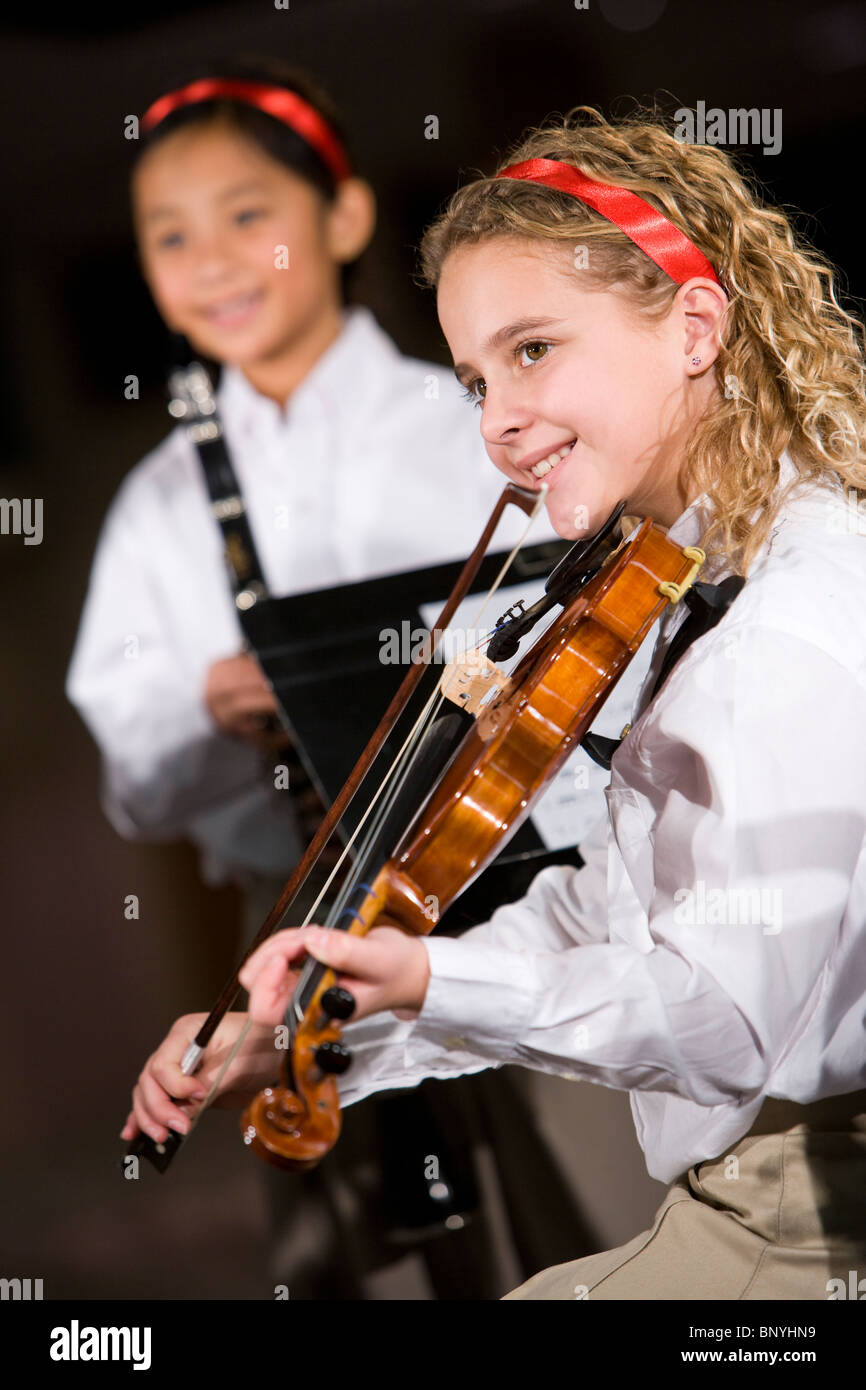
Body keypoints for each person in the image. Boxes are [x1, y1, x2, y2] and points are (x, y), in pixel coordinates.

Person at [123, 105, 866, 1300]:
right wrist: (342, 1028)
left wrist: (426, 981)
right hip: (742, 1193)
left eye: (532, 351)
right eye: (475, 378)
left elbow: (725, 1026)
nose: (495, 422)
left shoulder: (786, 620)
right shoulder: (694, 581)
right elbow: (614, 908)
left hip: (812, 1216)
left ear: (693, 324)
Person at [65, 58, 554, 914]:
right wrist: (206, 712)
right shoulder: (157, 502)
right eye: (171, 236)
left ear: (344, 217)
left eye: (248, 215)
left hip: (538, 888)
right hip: (301, 911)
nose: (210, 262)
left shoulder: (481, 424)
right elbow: (135, 795)